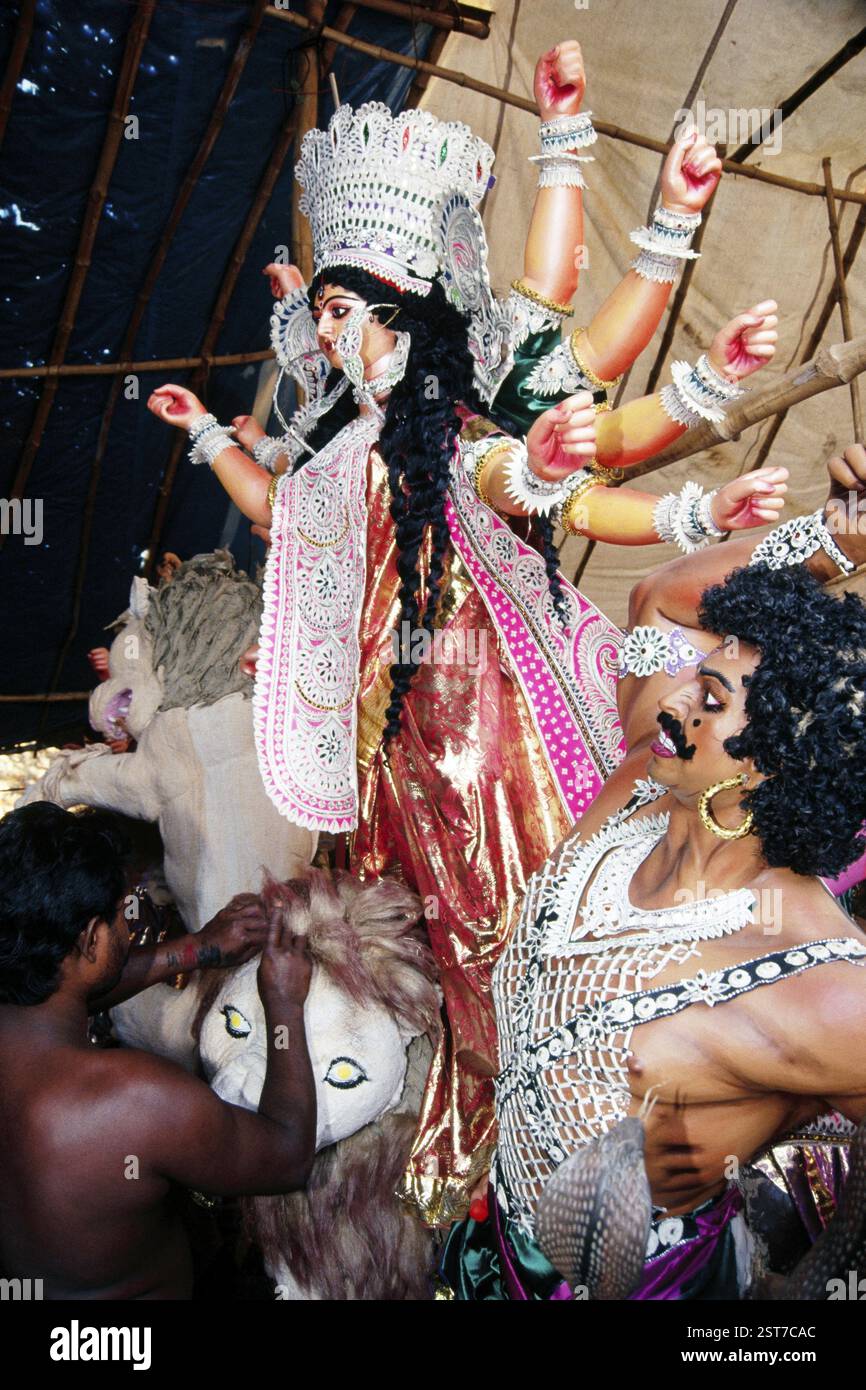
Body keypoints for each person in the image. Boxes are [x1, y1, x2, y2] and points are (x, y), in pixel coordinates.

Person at [144, 41, 781, 1222]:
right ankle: (467, 1148)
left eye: (341, 314)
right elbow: (285, 518)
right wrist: (204, 437)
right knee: (411, 931)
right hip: (391, 730)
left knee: (518, 909)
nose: (327, 336)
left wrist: (689, 509)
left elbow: (557, 494)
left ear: (393, 313)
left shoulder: (453, 430)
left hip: (487, 718)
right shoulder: (337, 453)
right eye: (321, 316)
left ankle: (582, 1126)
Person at [443, 444, 866, 1299]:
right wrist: (839, 543)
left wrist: (823, 1278)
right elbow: (662, 599)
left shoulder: (815, 979)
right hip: (489, 1253)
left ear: (777, 762)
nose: (673, 700)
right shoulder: (642, 783)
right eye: (695, 682)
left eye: (711, 703)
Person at [0, 803, 315, 1299]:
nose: (131, 927)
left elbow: (69, 988)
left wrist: (199, 949)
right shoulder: (133, 1098)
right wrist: (284, 1006)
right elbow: (287, 1155)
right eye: (122, 916)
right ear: (90, 939)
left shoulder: (26, 1012)